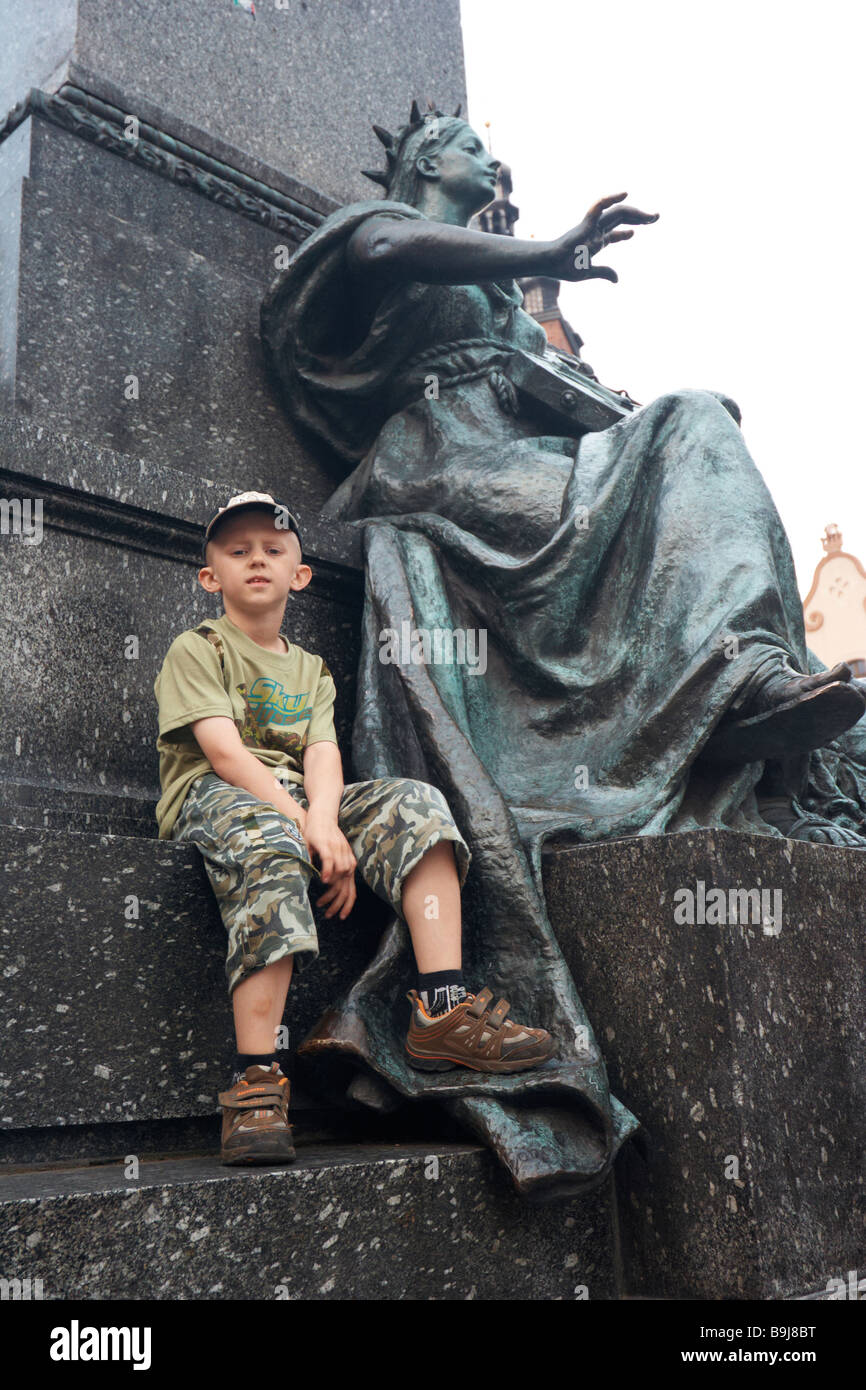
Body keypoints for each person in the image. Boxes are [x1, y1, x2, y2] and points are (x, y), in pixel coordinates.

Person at [254, 100, 866, 1201]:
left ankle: (741, 681)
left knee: (692, 418)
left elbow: (564, 397)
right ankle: (721, 683)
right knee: (680, 427)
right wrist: (548, 253)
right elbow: (389, 249)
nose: (492, 161)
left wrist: (606, 401)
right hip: (447, 469)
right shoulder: (376, 234)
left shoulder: (498, 301)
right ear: (429, 161)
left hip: (535, 465)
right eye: (474, 148)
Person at [153, 490, 554, 1165]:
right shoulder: (198, 648)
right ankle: (257, 1082)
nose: (257, 559)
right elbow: (224, 753)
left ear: (299, 575)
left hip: (304, 804)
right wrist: (310, 833)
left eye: (273, 550)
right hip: (220, 795)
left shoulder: (310, 669)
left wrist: (327, 823)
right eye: (238, 550)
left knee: (417, 803)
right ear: (209, 576)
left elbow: (323, 758)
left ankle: (440, 1009)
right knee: (271, 845)